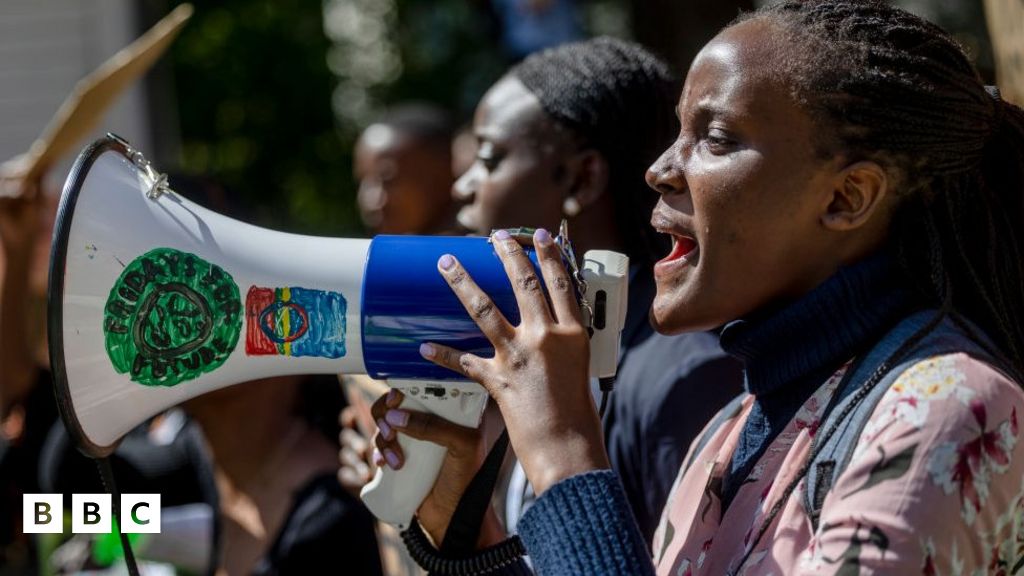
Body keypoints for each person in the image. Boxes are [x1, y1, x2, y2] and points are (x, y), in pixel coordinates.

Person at [373, 1, 1024, 574]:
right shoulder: (729, 433)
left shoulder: (948, 409)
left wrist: (565, 452)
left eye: (713, 138)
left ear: (847, 197)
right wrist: (461, 528)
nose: (658, 170)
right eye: (675, 135)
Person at [449, 36, 742, 541]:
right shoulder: (564, 357)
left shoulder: (683, 380)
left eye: (491, 158)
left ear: (581, 179)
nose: (463, 185)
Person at [354, 104, 459, 235]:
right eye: (361, 181)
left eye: (389, 181)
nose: (370, 200)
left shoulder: (479, 250)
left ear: (442, 178)